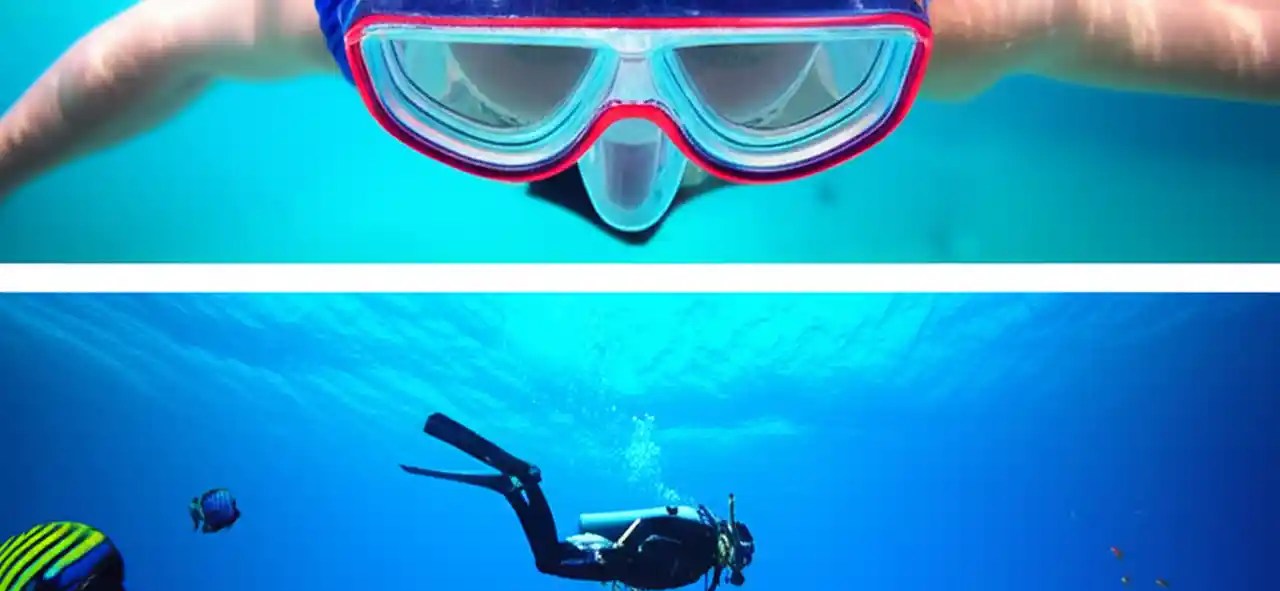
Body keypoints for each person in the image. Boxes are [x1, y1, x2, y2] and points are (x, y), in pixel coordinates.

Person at [0, 0, 1276, 239]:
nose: (631, 186)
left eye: (722, 63)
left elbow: (149, 50)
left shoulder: (975, 22)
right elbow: (147, 48)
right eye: (534, 61)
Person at [400, 412, 754, 591]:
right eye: (737, 559)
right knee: (548, 559)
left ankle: (515, 489)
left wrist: (628, 573)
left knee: (548, 558)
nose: (731, 566)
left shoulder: (704, 560)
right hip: (612, 557)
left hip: (616, 565)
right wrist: (620, 553)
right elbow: (651, 525)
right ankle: (524, 482)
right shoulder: (702, 537)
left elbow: (660, 564)